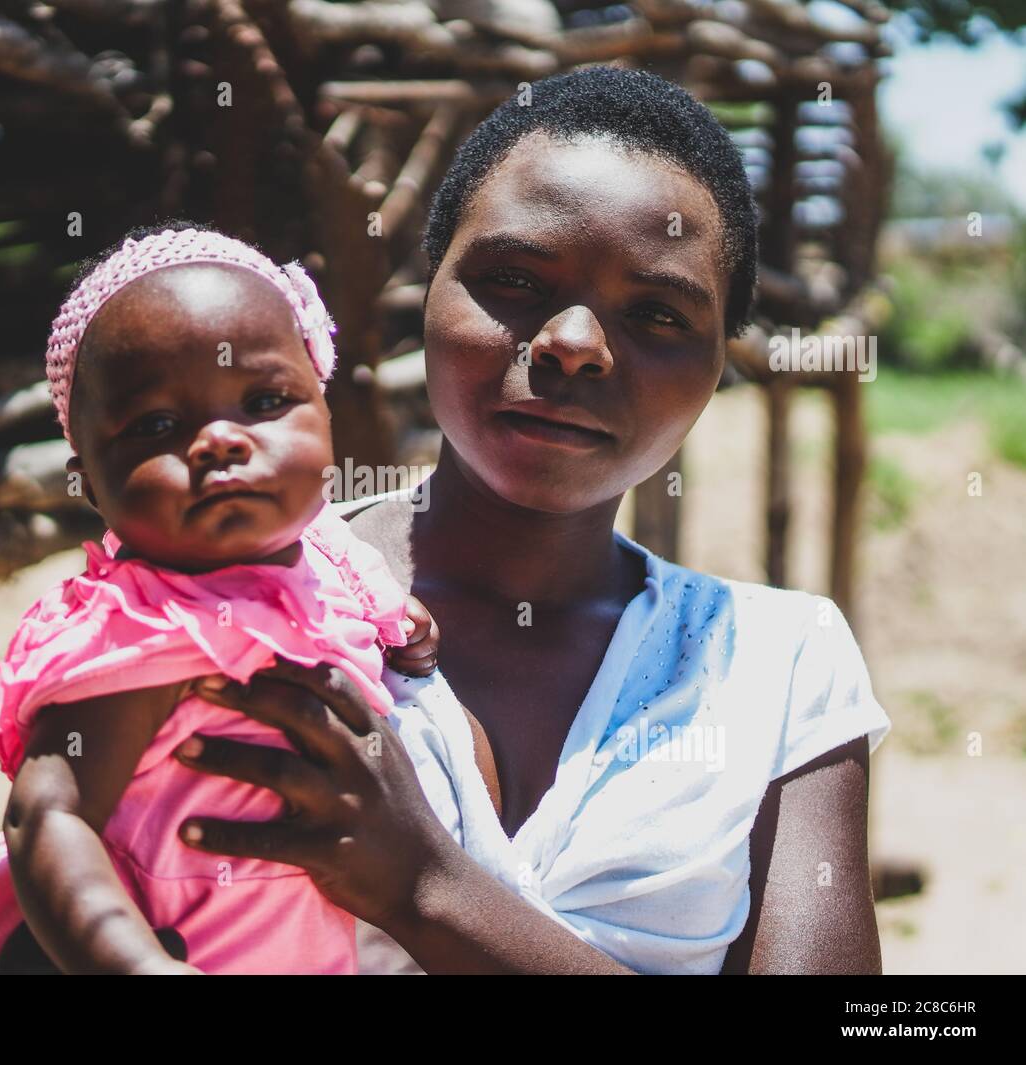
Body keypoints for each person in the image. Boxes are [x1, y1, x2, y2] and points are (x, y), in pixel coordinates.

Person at [172, 66, 893, 975]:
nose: (577, 344)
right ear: (429, 290)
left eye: (658, 312)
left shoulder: (780, 665)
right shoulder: (230, 598)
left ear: (718, 362)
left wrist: (426, 890)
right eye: (514, 279)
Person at [0, 223, 439, 975]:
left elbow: (365, 616)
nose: (219, 439)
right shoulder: (138, 632)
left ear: (326, 408)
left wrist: (405, 634)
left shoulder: (332, 556)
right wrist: (134, 963)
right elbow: (49, 815)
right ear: (86, 481)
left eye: (264, 398)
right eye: (157, 424)